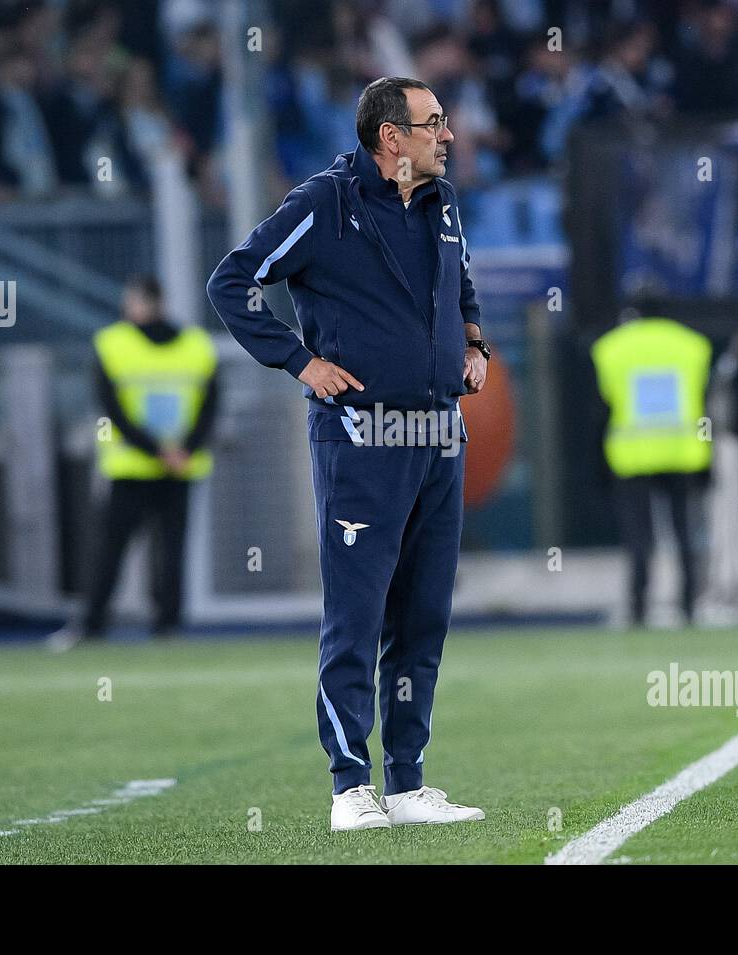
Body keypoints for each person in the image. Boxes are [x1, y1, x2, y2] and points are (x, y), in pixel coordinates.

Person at [207, 76, 490, 832]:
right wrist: (299, 361)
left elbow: (459, 286)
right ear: (389, 137)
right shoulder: (324, 204)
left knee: (423, 614)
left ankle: (407, 781)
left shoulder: (442, 201)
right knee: (357, 616)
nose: (448, 135)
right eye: (434, 122)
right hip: (362, 437)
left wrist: (474, 342)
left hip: (437, 431)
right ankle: (348, 785)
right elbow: (232, 280)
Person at [49, 275, 219, 651]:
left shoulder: (195, 346)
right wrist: (166, 451)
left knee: (170, 552)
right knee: (111, 550)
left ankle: (167, 626)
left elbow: (209, 406)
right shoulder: (114, 344)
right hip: (135, 467)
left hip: (174, 466)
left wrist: (180, 449)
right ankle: (93, 625)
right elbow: (112, 411)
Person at [591, 306, 712, 627]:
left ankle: (638, 608)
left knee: (639, 537)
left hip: (633, 453)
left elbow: (603, 403)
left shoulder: (611, 347)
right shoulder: (691, 344)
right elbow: (703, 397)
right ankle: (689, 606)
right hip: (681, 451)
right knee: (685, 532)